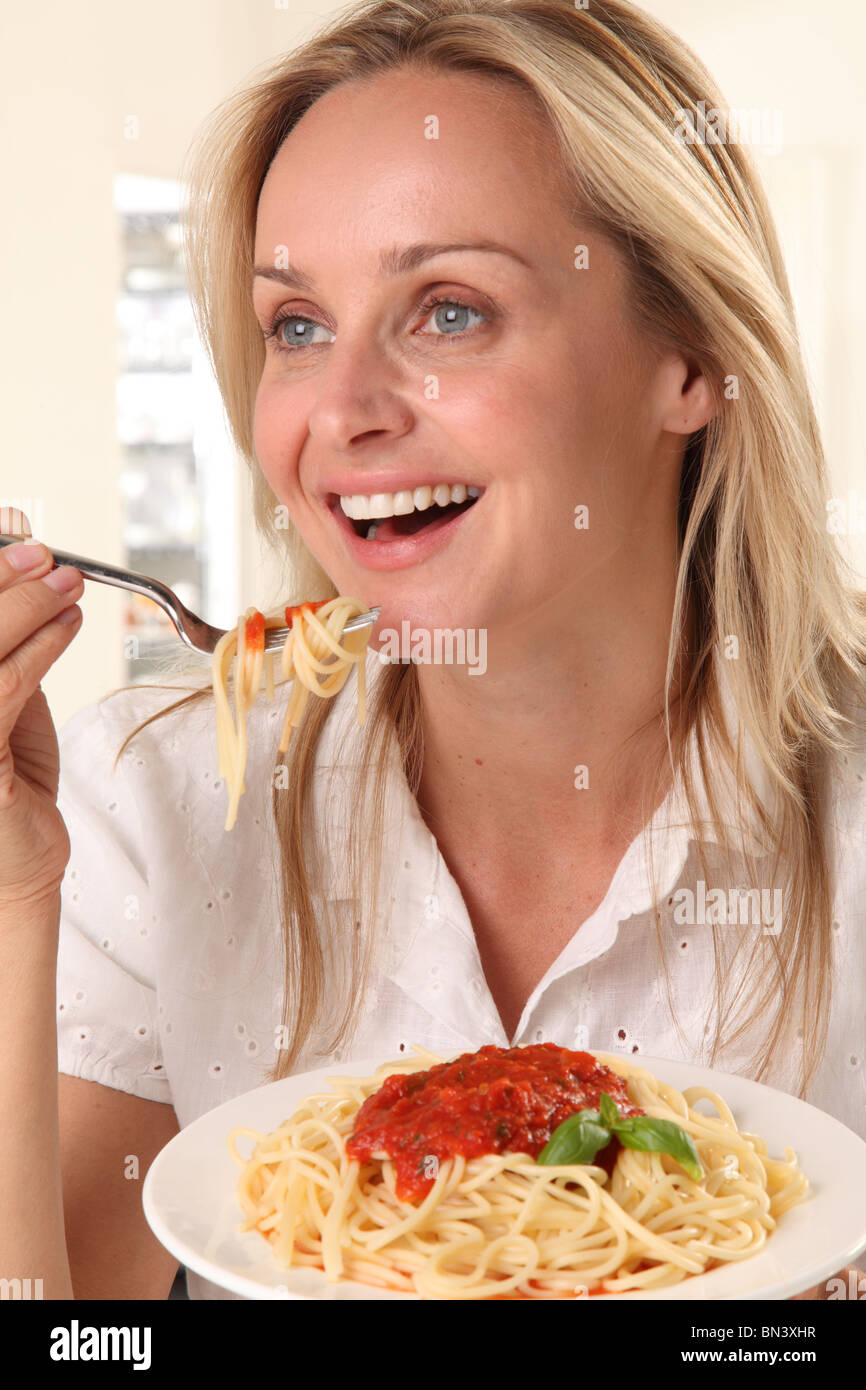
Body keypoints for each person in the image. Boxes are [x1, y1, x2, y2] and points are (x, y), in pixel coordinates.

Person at [1, 0, 864, 1301]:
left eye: (447, 311)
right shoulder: (151, 804)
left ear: (685, 357)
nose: (338, 411)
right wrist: (11, 905)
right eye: (294, 325)